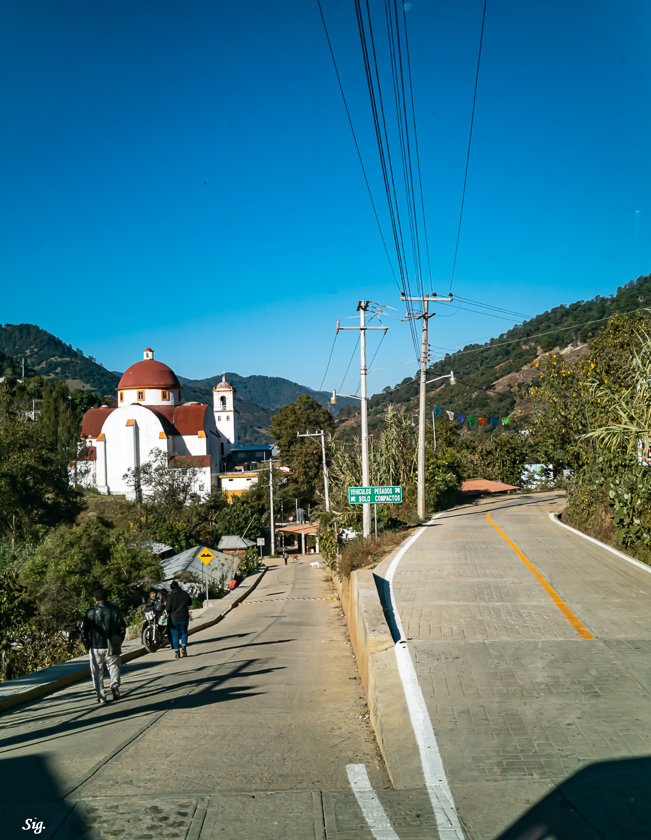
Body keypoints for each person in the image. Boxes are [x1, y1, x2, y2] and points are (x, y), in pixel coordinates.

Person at [81, 588, 127, 705]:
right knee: (114, 666)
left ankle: (101, 696)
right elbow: (122, 627)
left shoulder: (90, 613)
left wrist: (88, 645)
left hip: (96, 646)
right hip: (111, 644)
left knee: (97, 672)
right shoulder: (115, 610)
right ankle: (114, 685)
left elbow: (83, 631)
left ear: (95, 599)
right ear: (107, 598)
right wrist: (118, 640)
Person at [166, 580, 192, 659]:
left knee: (175, 635)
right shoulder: (185, 594)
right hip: (184, 617)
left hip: (174, 619)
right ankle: (183, 646)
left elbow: (168, 609)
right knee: (184, 632)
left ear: (171, 589)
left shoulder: (170, 596)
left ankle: (177, 652)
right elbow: (190, 603)